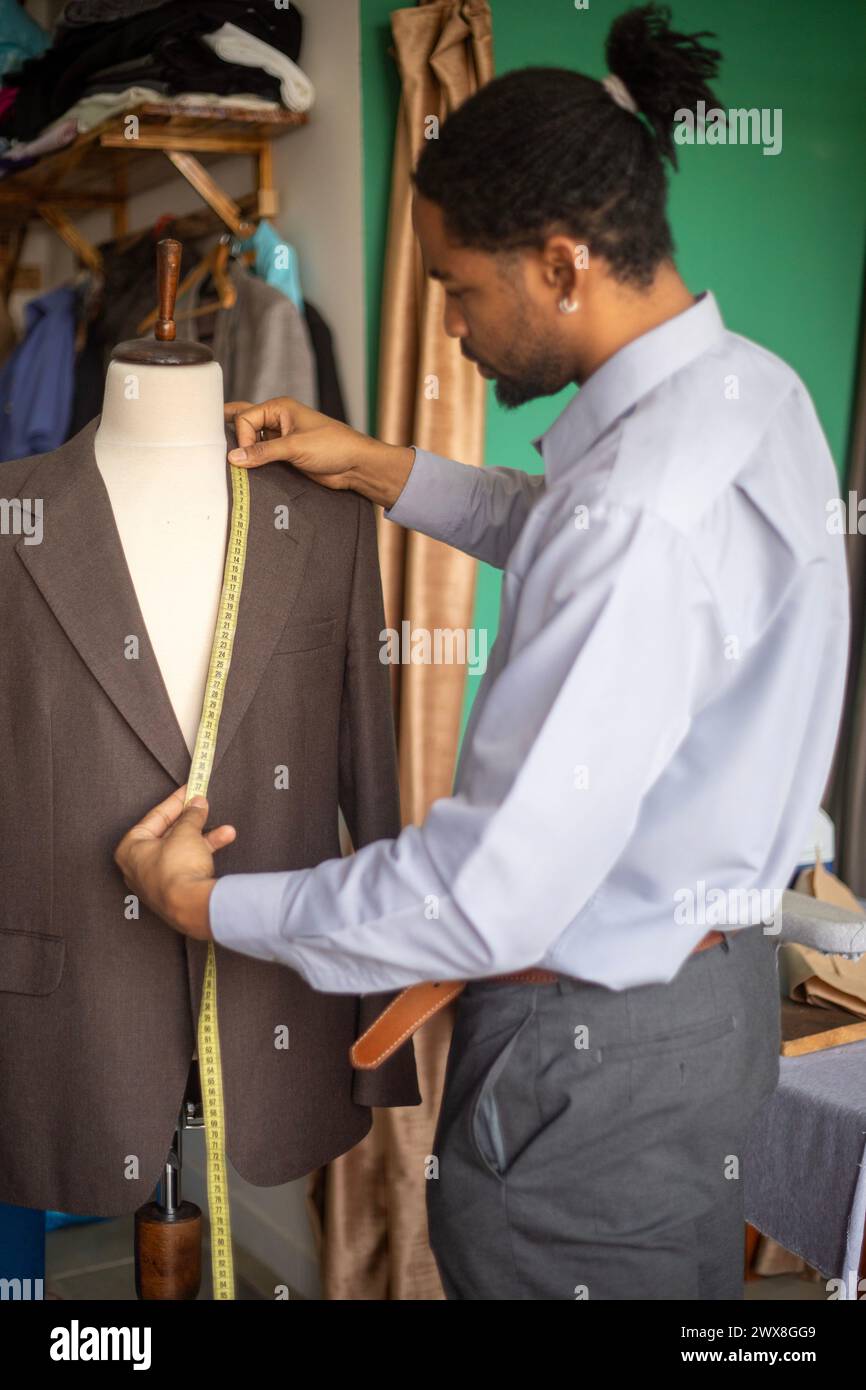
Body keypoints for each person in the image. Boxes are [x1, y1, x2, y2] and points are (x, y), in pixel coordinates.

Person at [114, 4, 849, 1299]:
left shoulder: (631, 516)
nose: (451, 324)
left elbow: (474, 895)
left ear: (562, 262)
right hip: (705, 1012)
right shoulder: (748, 391)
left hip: (590, 1058)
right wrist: (389, 467)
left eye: (458, 287)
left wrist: (203, 904)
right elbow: (586, 543)